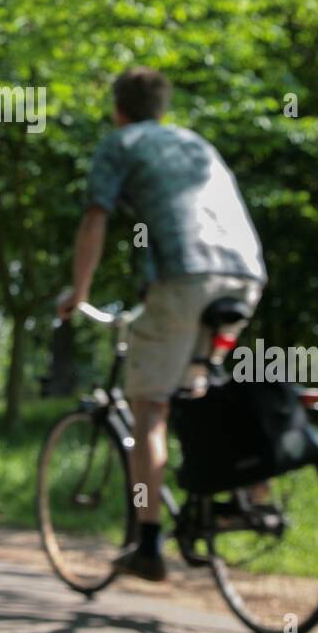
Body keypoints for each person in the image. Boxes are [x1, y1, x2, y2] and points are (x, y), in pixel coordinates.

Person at [57, 66, 266, 581]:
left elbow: (95, 218)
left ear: (117, 108)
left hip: (184, 277)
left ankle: (148, 546)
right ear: (163, 107)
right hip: (244, 275)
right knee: (202, 391)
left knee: (149, 410)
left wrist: (78, 293)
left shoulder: (120, 143)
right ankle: (244, 496)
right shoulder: (195, 144)